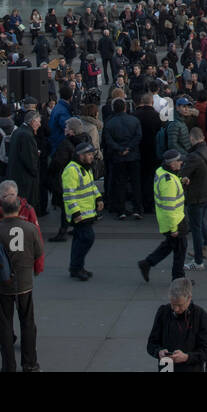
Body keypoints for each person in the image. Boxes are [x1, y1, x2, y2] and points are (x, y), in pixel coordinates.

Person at [0, 195, 44, 372]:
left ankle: (8, 366)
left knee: (5, 324)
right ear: (19, 208)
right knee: (27, 321)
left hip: (3, 284)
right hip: (24, 282)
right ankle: (29, 363)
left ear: (2, 210)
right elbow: (39, 251)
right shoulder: (30, 228)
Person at [138, 151, 188, 284]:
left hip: (170, 218)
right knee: (180, 248)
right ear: (171, 164)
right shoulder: (169, 182)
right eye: (178, 161)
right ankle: (178, 278)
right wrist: (173, 228)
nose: (181, 163)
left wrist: (180, 180)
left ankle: (147, 263)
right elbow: (169, 206)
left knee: (170, 245)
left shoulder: (162, 171)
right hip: (174, 220)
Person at [146, 277, 207, 373]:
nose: (175, 309)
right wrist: (158, 352)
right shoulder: (163, 312)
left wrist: (186, 357)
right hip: (167, 369)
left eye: (179, 305)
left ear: (189, 298)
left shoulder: (202, 318)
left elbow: (206, 352)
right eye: (172, 304)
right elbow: (151, 344)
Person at [61, 140, 102, 281]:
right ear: (80, 155)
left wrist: (98, 198)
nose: (91, 157)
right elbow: (69, 194)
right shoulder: (72, 170)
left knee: (79, 240)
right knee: (87, 238)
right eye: (89, 154)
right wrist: (76, 213)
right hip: (79, 214)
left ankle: (76, 267)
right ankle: (77, 267)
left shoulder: (85, 168)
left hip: (87, 212)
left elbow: (91, 186)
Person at [180, 126, 207, 270]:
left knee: (196, 228)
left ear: (192, 139)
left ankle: (198, 261)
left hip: (196, 196)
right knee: (201, 223)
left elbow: (183, 175)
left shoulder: (193, 156)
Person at [103, 97, 143, 220]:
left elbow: (108, 140)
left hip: (118, 157)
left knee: (120, 183)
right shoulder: (134, 120)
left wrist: (119, 149)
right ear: (126, 107)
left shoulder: (109, 123)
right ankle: (137, 208)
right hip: (133, 156)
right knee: (136, 183)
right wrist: (129, 148)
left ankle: (121, 210)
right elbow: (138, 136)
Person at [7, 110, 42, 211]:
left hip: (16, 175)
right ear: (33, 122)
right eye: (38, 122)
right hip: (24, 179)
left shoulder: (18, 132)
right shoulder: (27, 135)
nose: (39, 125)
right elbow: (30, 161)